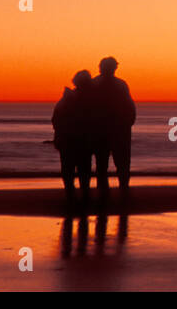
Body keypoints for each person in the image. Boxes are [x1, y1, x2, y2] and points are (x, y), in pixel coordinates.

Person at [93, 56, 136, 195]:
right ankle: (121, 188)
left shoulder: (96, 84)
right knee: (118, 162)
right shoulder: (120, 84)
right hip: (115, 129)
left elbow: (129, 107)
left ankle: (107, 190)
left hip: (109, 129)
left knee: (105, 162)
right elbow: (130, 107)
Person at [51, 69, 95, 207]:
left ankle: (72, 195)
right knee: (83, 170)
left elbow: (55, 120)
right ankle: (82, 196)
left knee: (69, 169)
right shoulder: (87, 100)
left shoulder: (67, 98)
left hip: (68, 140)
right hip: (80, 140)